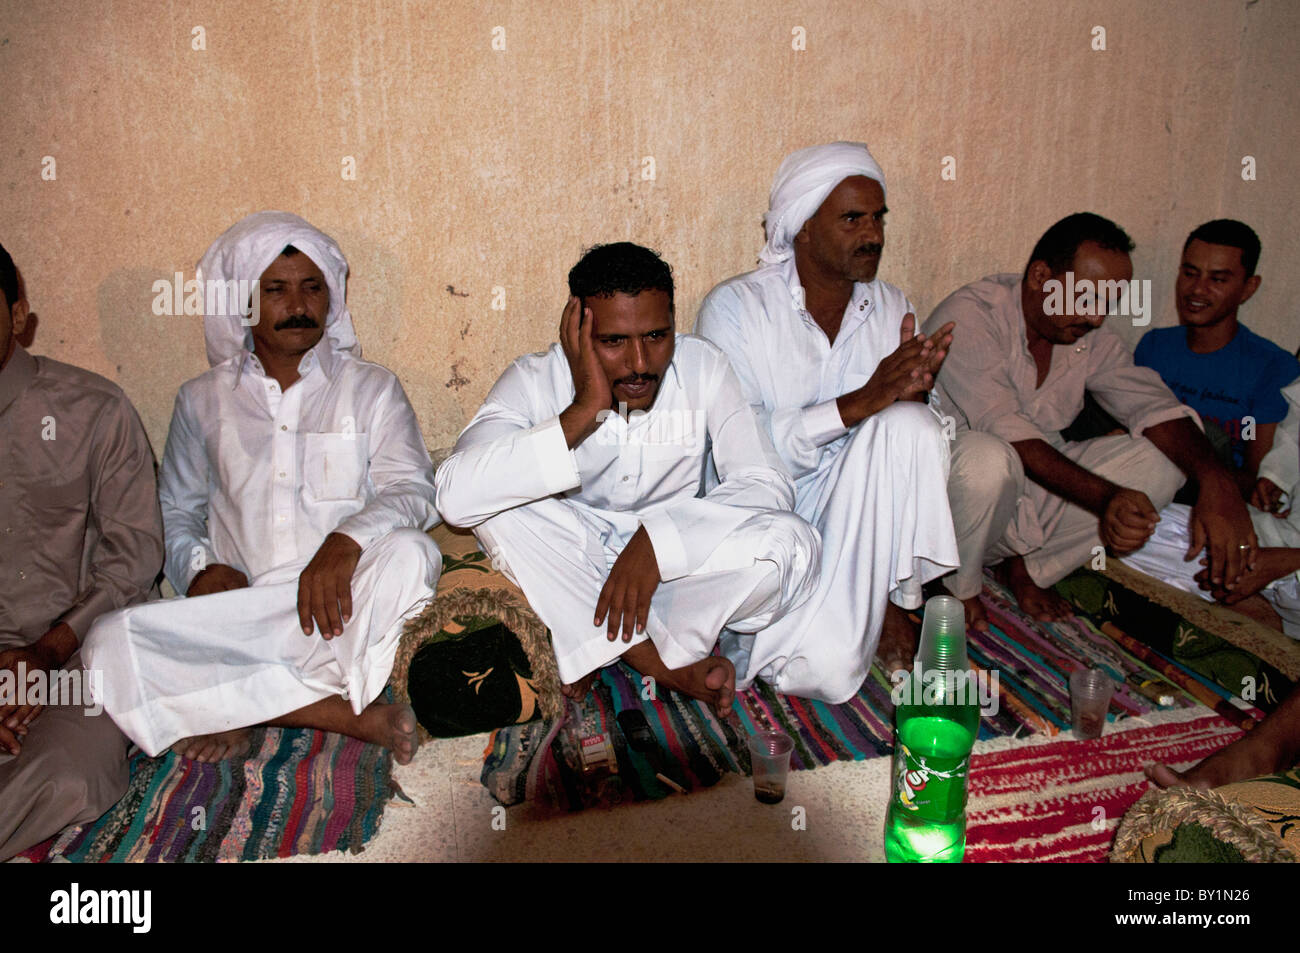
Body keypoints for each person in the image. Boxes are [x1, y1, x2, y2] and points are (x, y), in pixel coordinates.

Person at [83, 212, 439, 764]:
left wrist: (346, 541)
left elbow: (414, 490)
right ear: (241, 303)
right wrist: (199, 569)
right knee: (106, 646)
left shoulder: (371, 388)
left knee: (414, 554)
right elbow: (174, 513)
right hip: (240, 617)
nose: (298, 305)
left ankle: (236, 703)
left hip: (339, 611)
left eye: (311, 288)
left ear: (331, 298)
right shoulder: (200, 400)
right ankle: (337, 713)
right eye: (275, 290)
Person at [434, 243, 820, 716]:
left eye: (657, 335)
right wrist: (583, 411)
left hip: (672, 576)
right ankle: (651, 658)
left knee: (792, 544)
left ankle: (593, 640)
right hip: (576, 561)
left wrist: (660, 542)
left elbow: (766, 481)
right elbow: (453, 496)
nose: (640, 363)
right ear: (577, 330)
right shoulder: (535, 380)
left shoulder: (703, 367)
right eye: (614, 341)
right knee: (497, 507)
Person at [695, 141, 960, 702]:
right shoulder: (735, 308)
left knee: (915, 427)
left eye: (878, 217)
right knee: (825, 676)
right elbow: (740, 454)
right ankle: (810, 626)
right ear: (803, 228)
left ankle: (890, 602)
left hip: (861, 519)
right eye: (852, 219)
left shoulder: (891, 308)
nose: (874, 234)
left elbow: (912, 450)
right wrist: (861, 401)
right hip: (767, 519)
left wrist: (913, 397)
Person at [924, 212, 1257, 631]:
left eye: (1107, 303)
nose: (1098, 318)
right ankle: (955, 586)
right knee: (988, 458)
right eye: (1086, 299)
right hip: (952, 508)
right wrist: (1106, 498)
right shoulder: (972, 315)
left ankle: (1028, 568)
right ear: (1040, 276)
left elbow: (1154, 405)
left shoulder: (1084, 336)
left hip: (1027, 501)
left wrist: (1216, 482)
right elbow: (1009, 434)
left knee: (1162, 461)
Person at [0, 242, 164, 860]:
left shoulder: (96, 411)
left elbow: (134, 561)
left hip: (73, 660)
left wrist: (46, 653)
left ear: (19, 316)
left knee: (73, 776)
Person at [1122, 375, 1300, 638]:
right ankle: (1250, 598)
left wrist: (1288, 562)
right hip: (1275, 533)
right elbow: (1293, 433)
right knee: (1130, 530)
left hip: (1289, 564)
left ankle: (1264, 604)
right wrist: (1278, 477)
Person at [1135, 219, 1298, 488]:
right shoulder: (1154, 346)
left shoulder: (1274, 367)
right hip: (1143, 489)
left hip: (1216, 503)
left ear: (1249, 288)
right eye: (1190, 273)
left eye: (1218, 279)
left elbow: (1259, 482)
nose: (1198, 289)